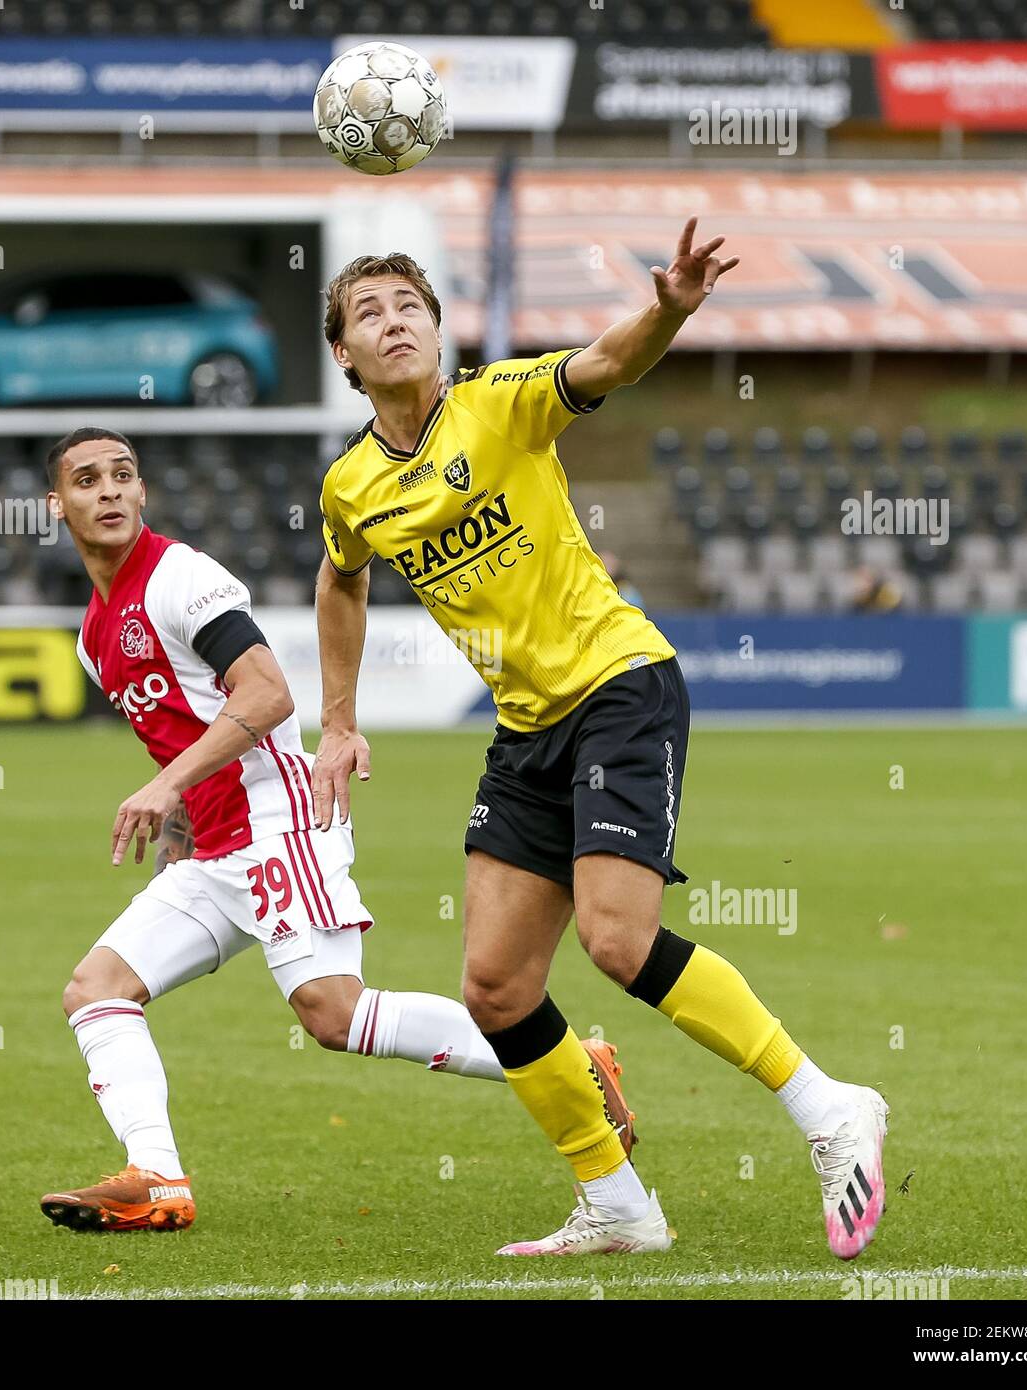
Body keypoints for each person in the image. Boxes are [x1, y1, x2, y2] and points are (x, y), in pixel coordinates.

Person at [311, 222, 888, 1259]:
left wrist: (668, 306)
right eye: (368, 314)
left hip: (619, 684)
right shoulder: (351, 486)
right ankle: (617, 1203)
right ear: (344, 358)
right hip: (526, 726)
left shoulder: (500, 403)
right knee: (495, 984)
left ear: (438, 332)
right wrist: (339, 719)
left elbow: (606, 362)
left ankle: (829, 1106)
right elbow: (339, 578)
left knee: (615, 941)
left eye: (409, 307)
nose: (393, 323)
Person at [37, 425, 630, 1231]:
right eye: (86, 480)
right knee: (96, 990)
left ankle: (572, 1066)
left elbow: (267, 694)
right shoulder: (93, 633)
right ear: (57, 505)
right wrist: (176, 819)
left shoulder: (180, 578)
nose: (107, 491)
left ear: (143, 494)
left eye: (123, 475)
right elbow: (181, 729)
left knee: (334, 1014)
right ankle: (158, 1179)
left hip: (280, 826)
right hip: (211, 855)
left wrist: (164, 785)